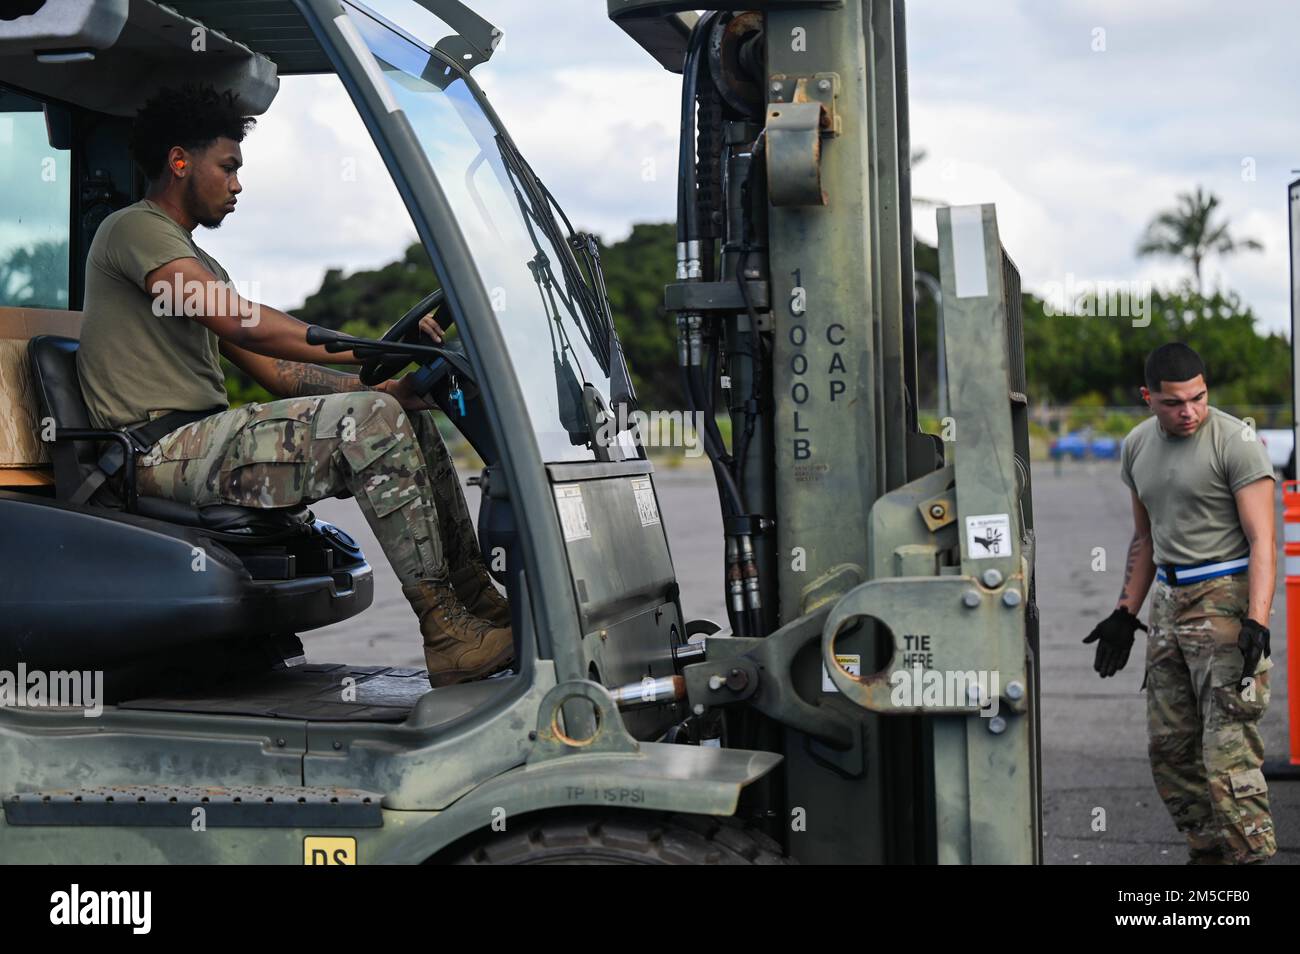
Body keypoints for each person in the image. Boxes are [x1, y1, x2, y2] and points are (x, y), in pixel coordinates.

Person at [75, 84, 512, 688]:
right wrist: (373, 352)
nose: (237, 184)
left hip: (200, 444)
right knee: (372, 422)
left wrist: (384, 387)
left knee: (398, 416)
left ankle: (475, 601)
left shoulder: (197, 264)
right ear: (180, 162)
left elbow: (275, 371)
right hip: (155, 452)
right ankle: (444, 632)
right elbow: (235, 319)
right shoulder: (133, 230)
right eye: (228, 167)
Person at [1083, 342, 1276, 864]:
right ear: (1148, 398)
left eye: (1198, 397)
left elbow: (1263, 541)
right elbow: (1145, 538)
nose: (1189, 411)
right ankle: (1207, 854)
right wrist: (1125, 611)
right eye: (1174, 402)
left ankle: (1252, 860)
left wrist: (1256, 620)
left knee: (1227, 751)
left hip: (1226, 597)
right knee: (1169, 749)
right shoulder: (1136, 446)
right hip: (1169, 600)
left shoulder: (1235, 441)